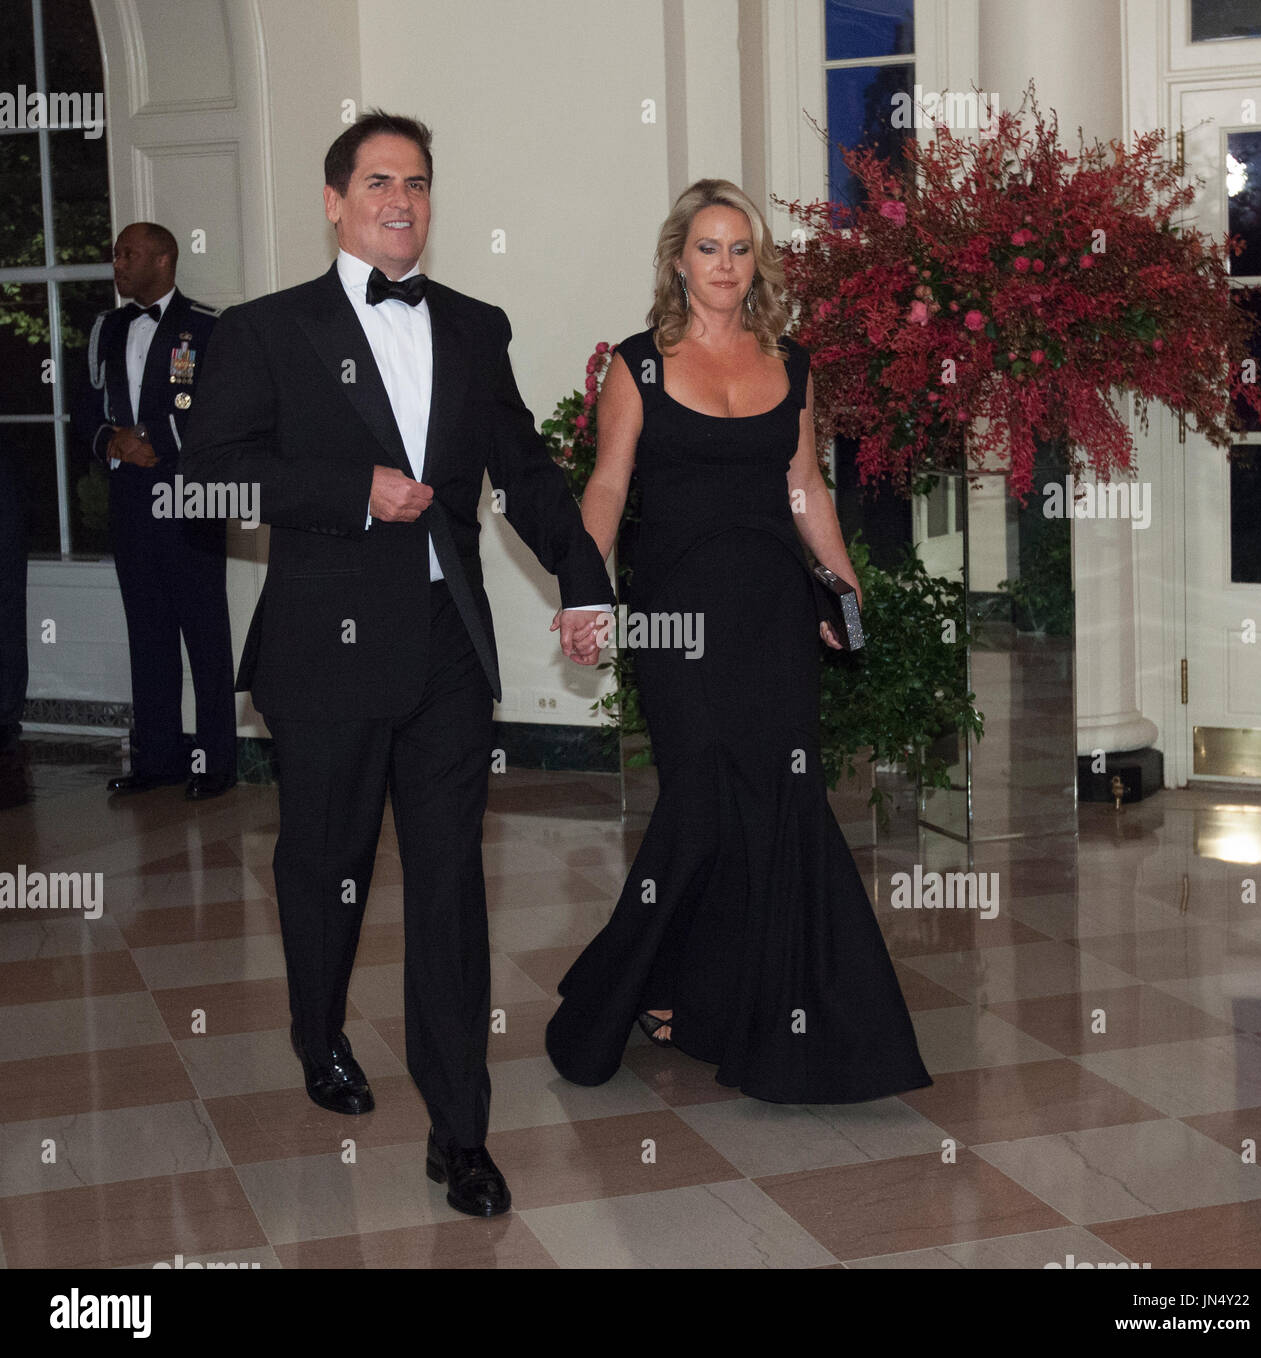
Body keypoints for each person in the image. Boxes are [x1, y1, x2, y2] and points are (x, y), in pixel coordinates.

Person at [180, 111, 614, 1218]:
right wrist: (348, 492)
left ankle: (459, 1131)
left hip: (444, 654)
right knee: (326, 866)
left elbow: (520, 466)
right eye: (379, 180)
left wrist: (582, 575)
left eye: (416, 182)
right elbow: (209, 479)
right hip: (322, 655)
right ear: (335, 200)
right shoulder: (265, 330)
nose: (401, 200)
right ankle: (317, 1028)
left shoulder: (474, 325)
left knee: (450, 885)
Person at [546, 179, 934, 1104]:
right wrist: (585, 592)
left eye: (741, 249)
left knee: (783, 804)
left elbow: (804, 488)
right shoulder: (637, 368)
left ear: (757, 264)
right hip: (678, 621)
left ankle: (725, 1002)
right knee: (703, 804)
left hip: (771, 617)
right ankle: (626, 991)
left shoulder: (791, 365)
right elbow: (605, 486)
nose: (725, 265)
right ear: (679, 259)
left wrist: (843, 588)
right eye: (709, 248)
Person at [82, 222, 237, 800]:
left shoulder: (207, 327)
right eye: (116, 253)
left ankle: (216, 761)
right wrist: (111, 440)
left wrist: (156, 441)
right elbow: (83, 409)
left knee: (204, 633)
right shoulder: (107, 328)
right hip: (128, 503)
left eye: (128, 253)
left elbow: (222, 413)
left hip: (190, 501)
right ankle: (159, 756)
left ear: (165, 259)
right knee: (146, 633)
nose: (117, 263)